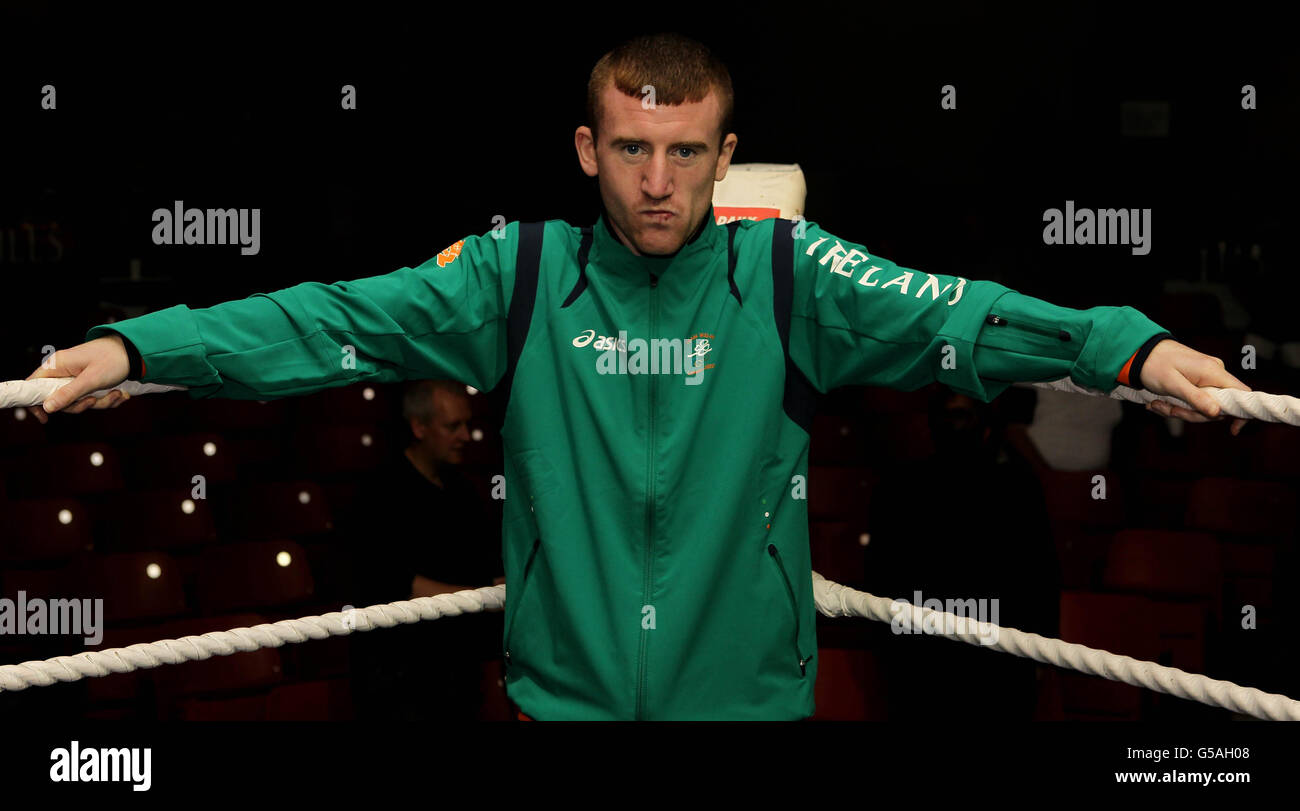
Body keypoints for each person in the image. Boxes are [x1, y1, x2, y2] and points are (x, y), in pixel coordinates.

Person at [23, 33, 1252, 720]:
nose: (655, 181)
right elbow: (333, 315)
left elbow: (965, 314)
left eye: (681, 151)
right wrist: (144, 347)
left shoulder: (788, 274)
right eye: (628, 148)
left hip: (745, 711)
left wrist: (1123, 346)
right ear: (584, 148)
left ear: (723, 153)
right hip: (561, 708)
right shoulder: (515, 272)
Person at [346, 378, 506, 720]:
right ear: (419, 426)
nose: (466, 436)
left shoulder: (463, 490)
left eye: (467, 424)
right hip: (403, 675)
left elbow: (490, 570)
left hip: (461, 666)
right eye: (453, 426)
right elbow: (393, 583)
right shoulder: (380, 492)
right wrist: (479, 599)